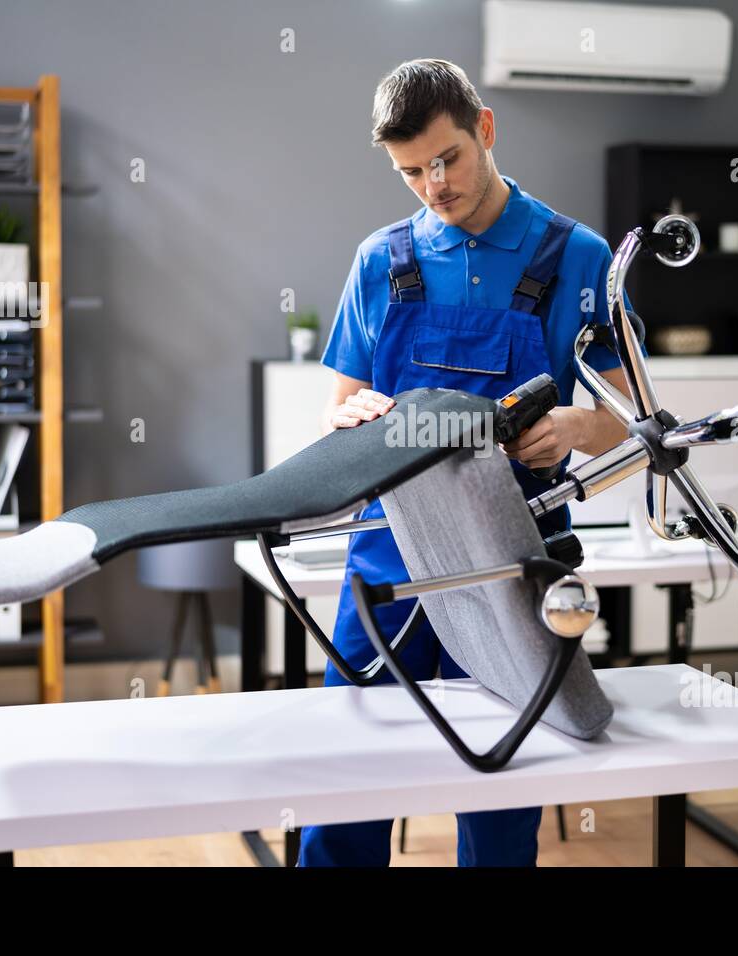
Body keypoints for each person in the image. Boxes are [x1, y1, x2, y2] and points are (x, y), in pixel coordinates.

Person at [300, 58, 635, 867]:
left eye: (445, 159)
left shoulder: (576, 259)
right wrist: (351, 414)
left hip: (512, 563)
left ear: (485, 129)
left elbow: (626, 422)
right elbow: (340, 405)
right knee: (353, 776)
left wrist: (568, 425)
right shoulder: (381, 261)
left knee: (500, 796)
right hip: (389, 555)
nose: (432, 186)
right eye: (410, 171)